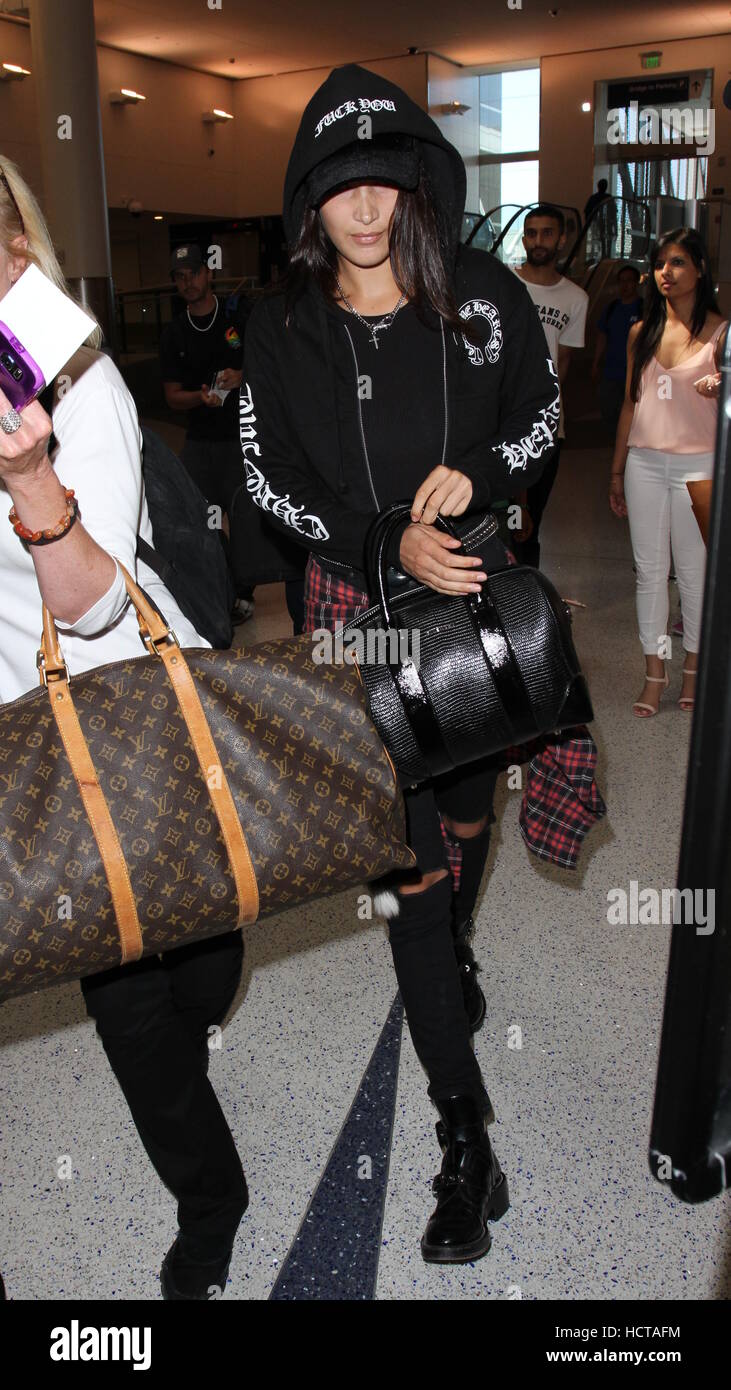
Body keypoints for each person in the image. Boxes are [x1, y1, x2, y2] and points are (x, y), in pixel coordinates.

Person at [241, 64, 559, 1263]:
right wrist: (381, 536)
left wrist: (479, 473)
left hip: (476, 604)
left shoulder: (480, 296)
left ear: (415, 180)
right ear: (307, 200)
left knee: (468, 811)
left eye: (383, 181)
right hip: (361, 612)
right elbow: (263, 483)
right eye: (339, 188)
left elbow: (539, 416)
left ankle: (456, 936)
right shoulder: (283, 326)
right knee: (411, 869)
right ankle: (464, 1140)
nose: (365, 211)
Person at [0, 158, 248, 1299]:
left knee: (198, 957)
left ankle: (203, 977)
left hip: (132, 718)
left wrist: (34, 481)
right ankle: (214, 1193)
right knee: (128, 1004)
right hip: (30, 742)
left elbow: (98, 603)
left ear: (13, 244)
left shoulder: (76, 384)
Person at [608, 227, 727, 717]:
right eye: (660, 263)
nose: (666, 272)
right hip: (646, 466)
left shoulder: (722, 334)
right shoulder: (642, 332)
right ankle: (655, 672)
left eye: (678, 263)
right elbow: (629, 406)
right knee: (650, 574)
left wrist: (722, 389)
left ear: (699, 269)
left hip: (700, 466)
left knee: (695, 577)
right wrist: (616, 473)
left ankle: (694, 673)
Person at [159, 243, 255, 623]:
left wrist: (241, 377)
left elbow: (267, 368)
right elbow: (172, 398)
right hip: (200, 441)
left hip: (240, 437)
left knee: (245, 517)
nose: (188, 282)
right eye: (180, 277)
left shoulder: (237, 317)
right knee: (201, 518)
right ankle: (217, 590)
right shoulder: (175, 333)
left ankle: (244, 591)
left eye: (194, 273)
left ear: (208, 273)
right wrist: (199, 398)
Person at [512, 204, 588, 566]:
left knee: (531, 522)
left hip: (546, 428)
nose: (537, 241)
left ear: (561, 240)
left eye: (546, 233)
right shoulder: (504, 283)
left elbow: (565, 364)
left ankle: (528, 609)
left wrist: (550, 415)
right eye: (531, 233)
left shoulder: (576, 299)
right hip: (499, 423)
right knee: (503, 521)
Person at [592, 263, 643, 438]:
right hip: (611, 371)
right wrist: (596, 362)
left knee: (632, 410)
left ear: (637, 282)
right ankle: (615, 440)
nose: (625, 285)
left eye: (629, 281)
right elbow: (602, 336)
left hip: (635, 372)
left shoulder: (643, 309)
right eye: (621, 281)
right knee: (608, 407)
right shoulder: (612, 308)